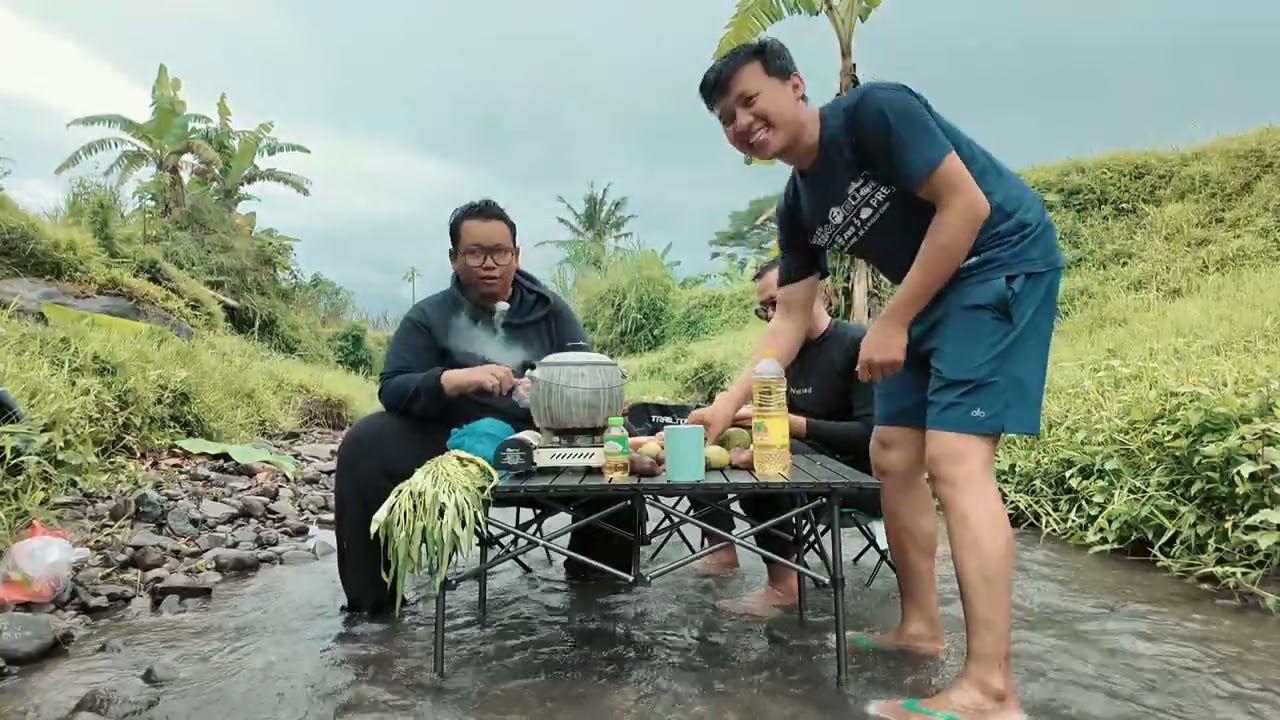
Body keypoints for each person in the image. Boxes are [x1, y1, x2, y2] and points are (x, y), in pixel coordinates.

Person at [691, 38, 1063, 720]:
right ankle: (919, 627)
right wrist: (724, 405)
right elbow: (790, 320)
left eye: (749, 100)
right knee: (893, 455)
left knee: (955, 461)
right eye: (726, 118)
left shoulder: (874, 113)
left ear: (796, 85)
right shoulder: (799, 203)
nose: (741, 122)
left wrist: (891, 322)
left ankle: (990, 691)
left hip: (998, 262)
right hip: (924, 294)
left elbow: (966, 207)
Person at [335, 199, 638, 616]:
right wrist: (454, 379)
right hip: (449, 443)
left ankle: (598, 598)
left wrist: (552, 395)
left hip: (541, 443)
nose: (489, 264)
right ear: (454, 258)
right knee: (365, 443)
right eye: (475, 253)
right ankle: (372, 610)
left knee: (618, 452)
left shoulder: (551, 313)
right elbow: (393, 388)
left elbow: (584, 372)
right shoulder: (429, 316)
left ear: (516, 255)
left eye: (501, 252)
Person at [691, 257, 876, 618]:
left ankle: (783, 587)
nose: (774, 316)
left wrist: (789, 424)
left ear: (814, 290)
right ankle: (721, 550)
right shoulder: (782, 357)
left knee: (765, 459)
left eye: (779, 303)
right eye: (765, 309)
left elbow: (872, 436)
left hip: (858, 478)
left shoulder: (857, 342)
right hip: (800, 464)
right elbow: (774, 424)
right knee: (711, 445)